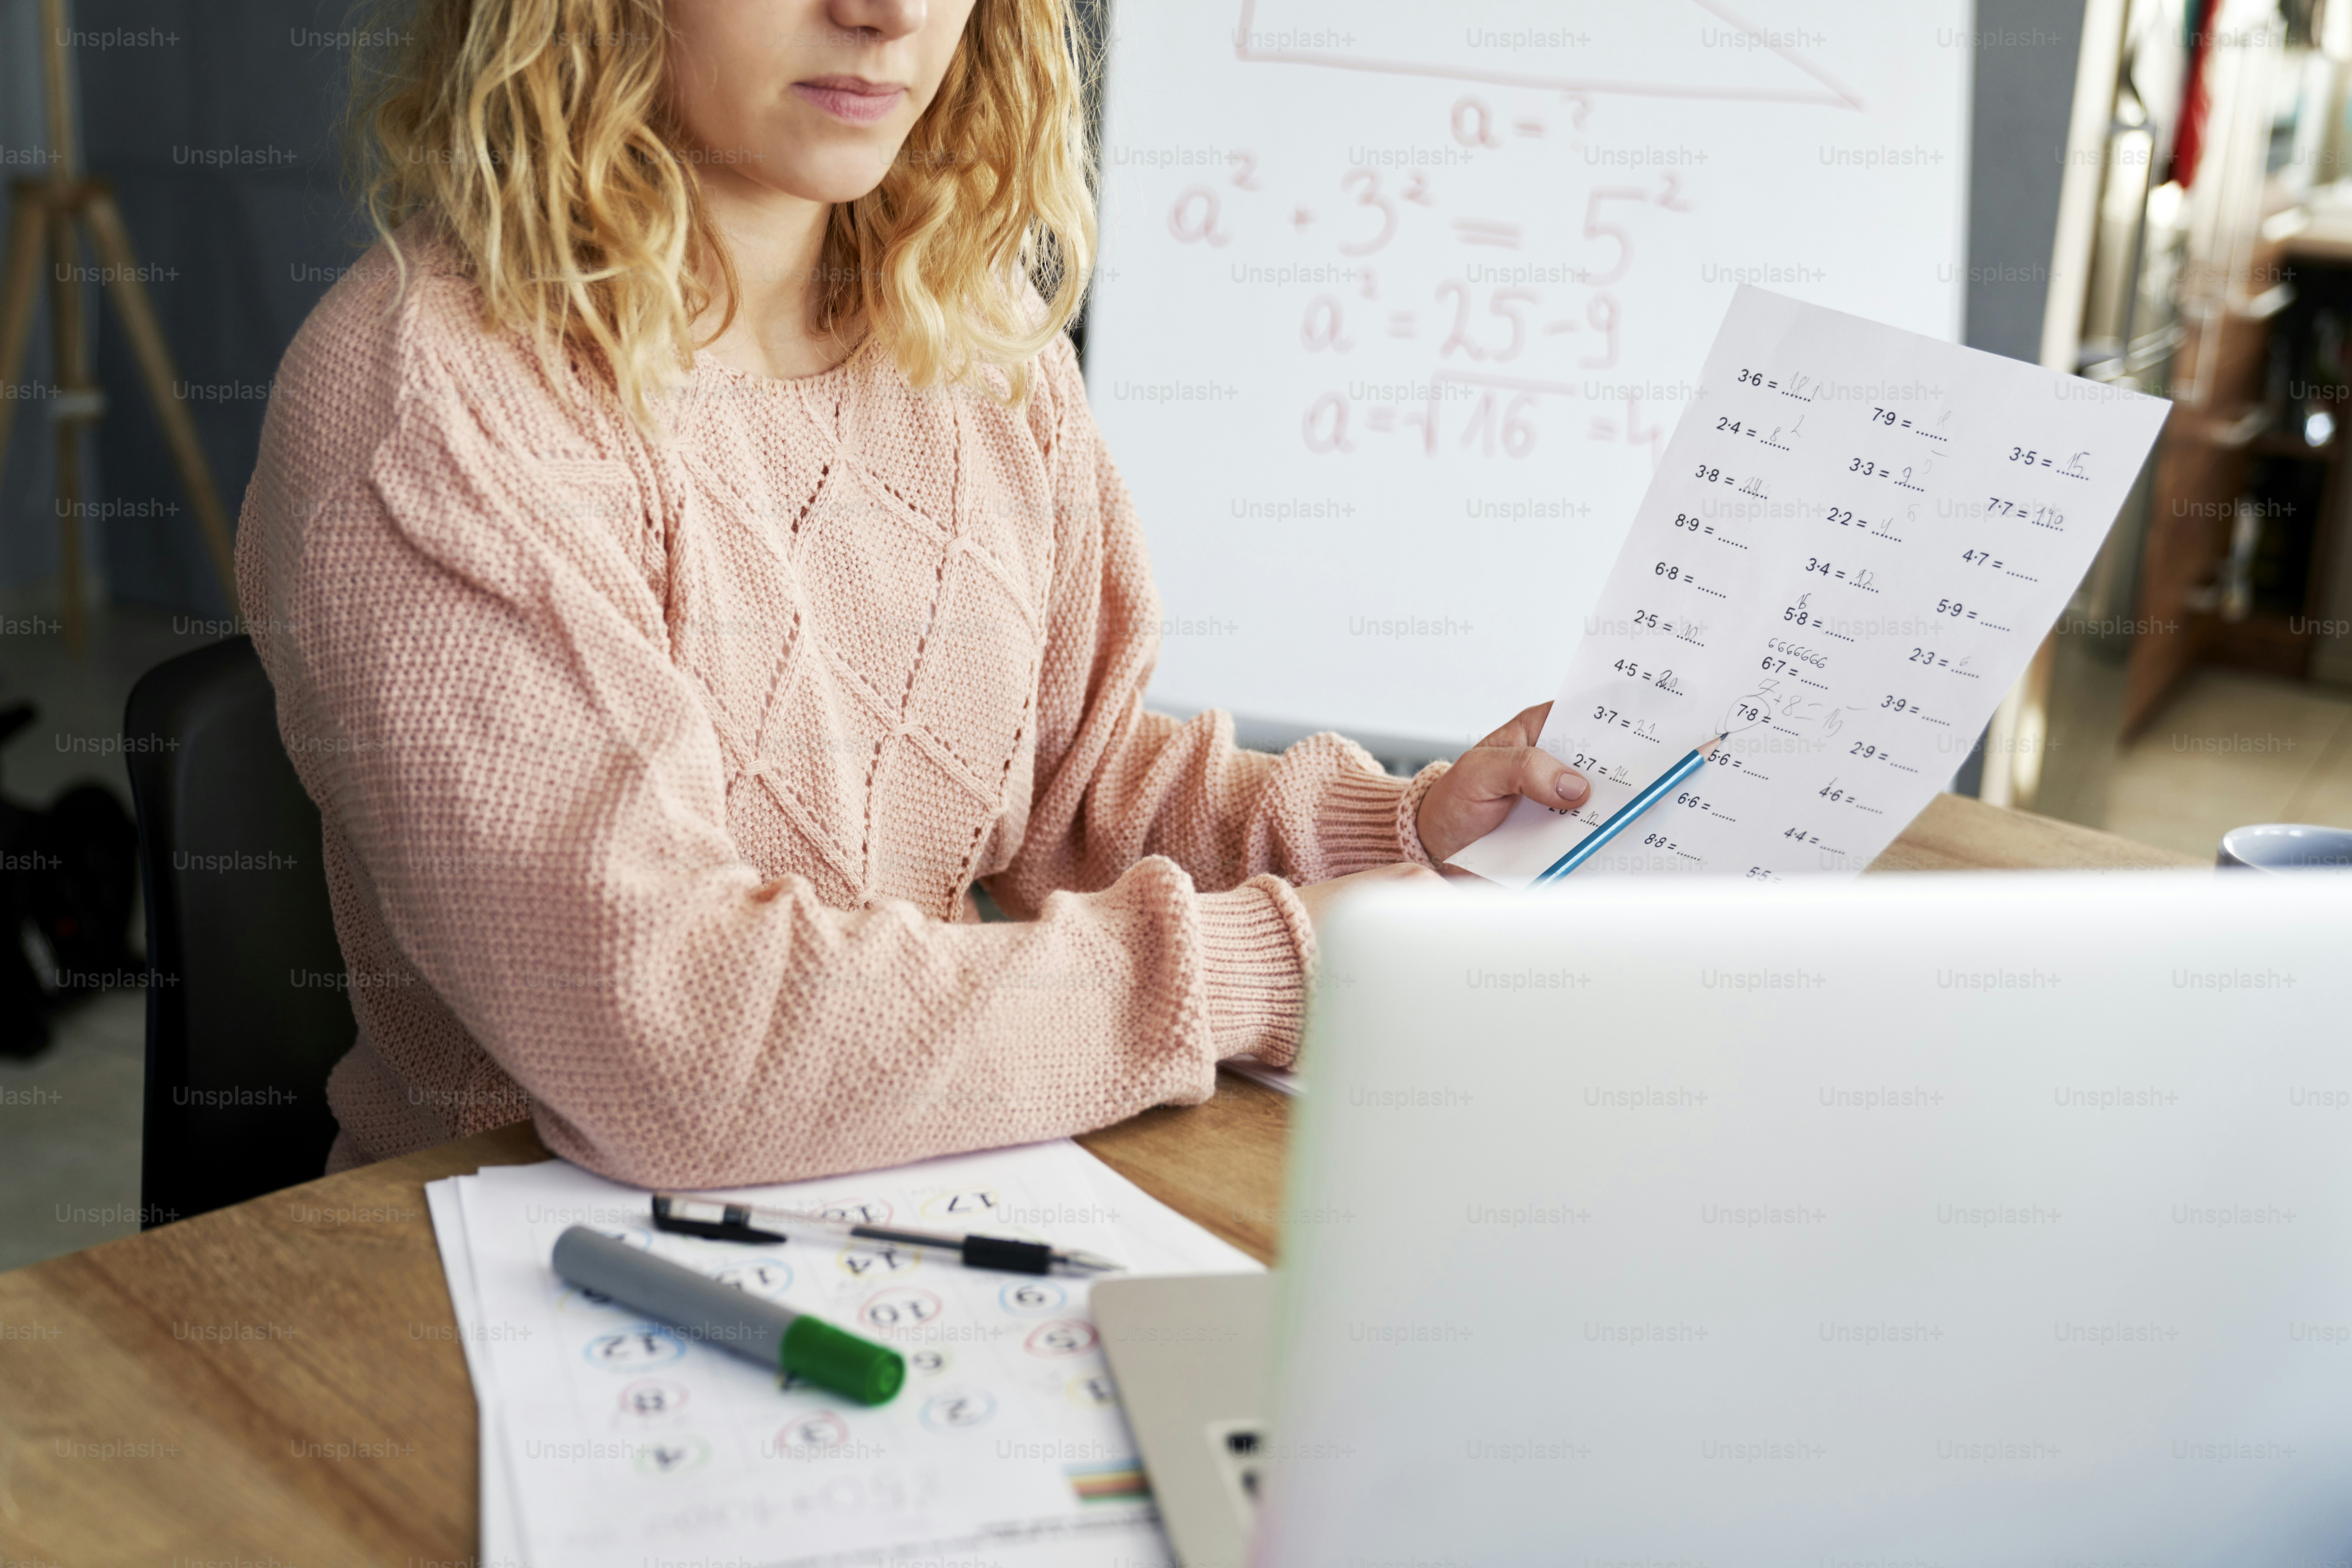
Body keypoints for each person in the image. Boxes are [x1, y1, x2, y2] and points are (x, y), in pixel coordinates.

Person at [237, 0, 1591, 1186]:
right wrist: (1265, 968)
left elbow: (1082, 781)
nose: (885, 12)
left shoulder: (964, 323)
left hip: (913, 1189)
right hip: (513, 1278)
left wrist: (1395, 837)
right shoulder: (434, 409)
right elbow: (675, 1056)